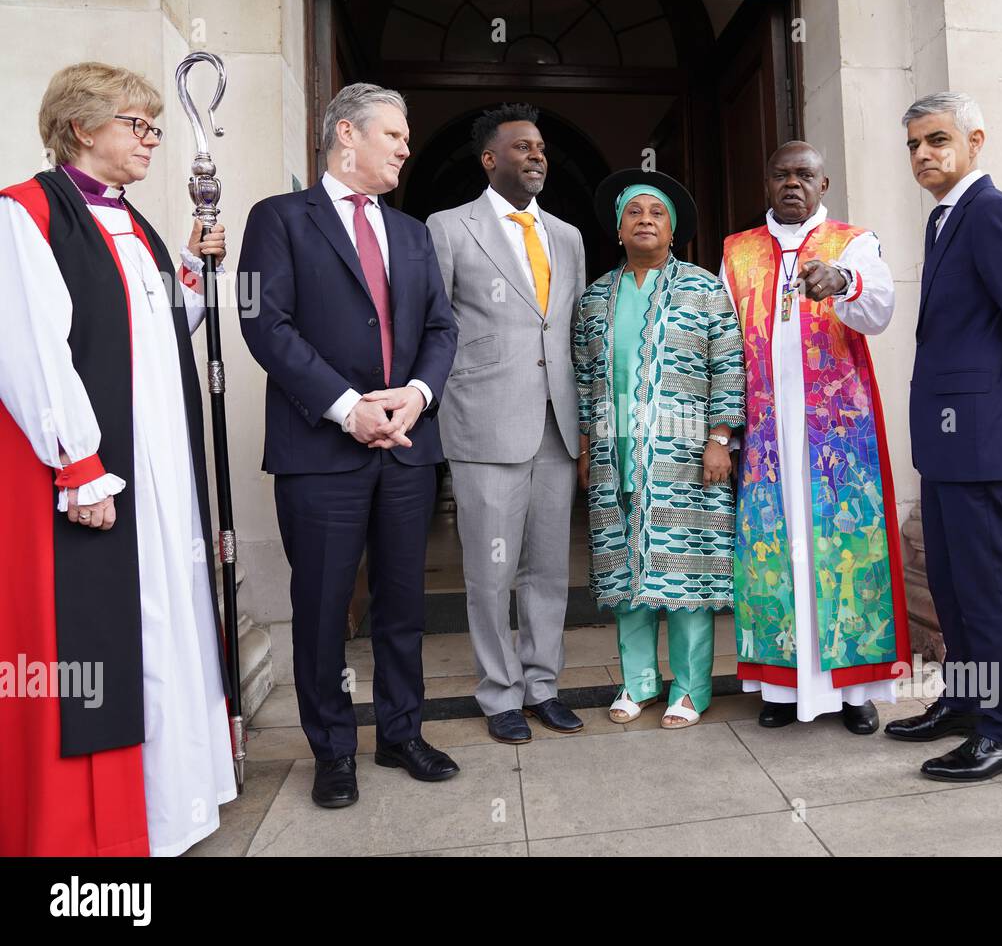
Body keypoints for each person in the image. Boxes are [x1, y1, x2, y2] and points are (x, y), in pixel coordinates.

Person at [0, 62, 234, 855]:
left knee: (169, 613)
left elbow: (152, 337)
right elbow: (31, 351)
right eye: (138, 125)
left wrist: (194, 282)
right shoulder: (28, 214)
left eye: (155, 126)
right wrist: (77, 467)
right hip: (97, 469)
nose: (152, 141)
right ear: (81, 128)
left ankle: (178, 801)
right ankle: (113, 822)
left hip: (163, 459)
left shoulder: (133, 221)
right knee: (115, 630)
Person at [240, 83, 460, 809]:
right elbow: (264, 325)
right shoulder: (277, 219)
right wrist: (347, 409)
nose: (405, 146)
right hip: (320, 451)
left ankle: (401, 733)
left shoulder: (413, 232)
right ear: (345, 136)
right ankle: (333, 751)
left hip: (406, 447)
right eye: (393, 134)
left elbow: (440, 329)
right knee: (324, 606)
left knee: (403, 605)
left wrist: (416, 396)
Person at [885, 93, 1002, 782]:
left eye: (937, 139)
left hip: (982, 442)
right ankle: (965, 703)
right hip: (948, 445)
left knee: (985, 590)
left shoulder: (992, 213)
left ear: (974, 140)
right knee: (955, 589)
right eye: (913, 144)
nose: (924, 154)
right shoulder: (945, 220)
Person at [723, 141, 912, 733]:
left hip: (837, 434)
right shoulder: (738, 251)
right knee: (774, 553)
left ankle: (855, 692)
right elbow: (725, 342)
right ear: (767, 182)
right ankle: (779, 690)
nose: (792, 184)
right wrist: (725, 431)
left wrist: (843, 281)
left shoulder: (852, 242)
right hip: (766, 432)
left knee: (842, 552)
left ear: (824, 185)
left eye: (805, 175)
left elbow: (879, 312)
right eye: (781, 175)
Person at [427, 104, 587, 745]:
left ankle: (543, 685)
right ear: (490, 158)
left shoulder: (568, 236)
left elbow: (568, 330)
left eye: (541, 146)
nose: (536, 155)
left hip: (557, 422)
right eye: (522, 146)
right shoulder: (448, 227)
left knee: (549, 569)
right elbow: (434, 326)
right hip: (485, 421)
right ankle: (499, 694)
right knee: (490, 572)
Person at [575, 169, 744, 728]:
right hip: (613, 451)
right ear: (618, 229)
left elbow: (728, 365)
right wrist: (584, 444)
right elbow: (582, 375)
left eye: (657, 213)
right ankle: (638, 682)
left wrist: (720, 438)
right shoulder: (596, 296)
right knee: (625, 574)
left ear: (673, 231)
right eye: (634, 213)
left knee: (686, 574)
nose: (645, 220)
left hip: (686, 454)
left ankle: (691, 688)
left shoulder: (703, 288)